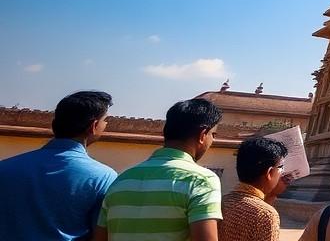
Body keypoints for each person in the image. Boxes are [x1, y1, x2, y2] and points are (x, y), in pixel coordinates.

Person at [97, 98, 223, 241]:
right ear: (202, 135)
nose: (212, 141)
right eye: (213, 135)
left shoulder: (121, 179)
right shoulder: (201, 180)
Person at [0, 90, 118, 241]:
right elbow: (100, 235)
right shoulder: (102, 177)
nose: (106, 125)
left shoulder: (5, 168)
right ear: (94, 126)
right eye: (105, 120)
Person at [221, 137, 287, 241]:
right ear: (269, 172)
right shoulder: (266, 215)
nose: (283, 172)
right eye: (281, 167)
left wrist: (271, 195)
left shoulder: (222, 202)